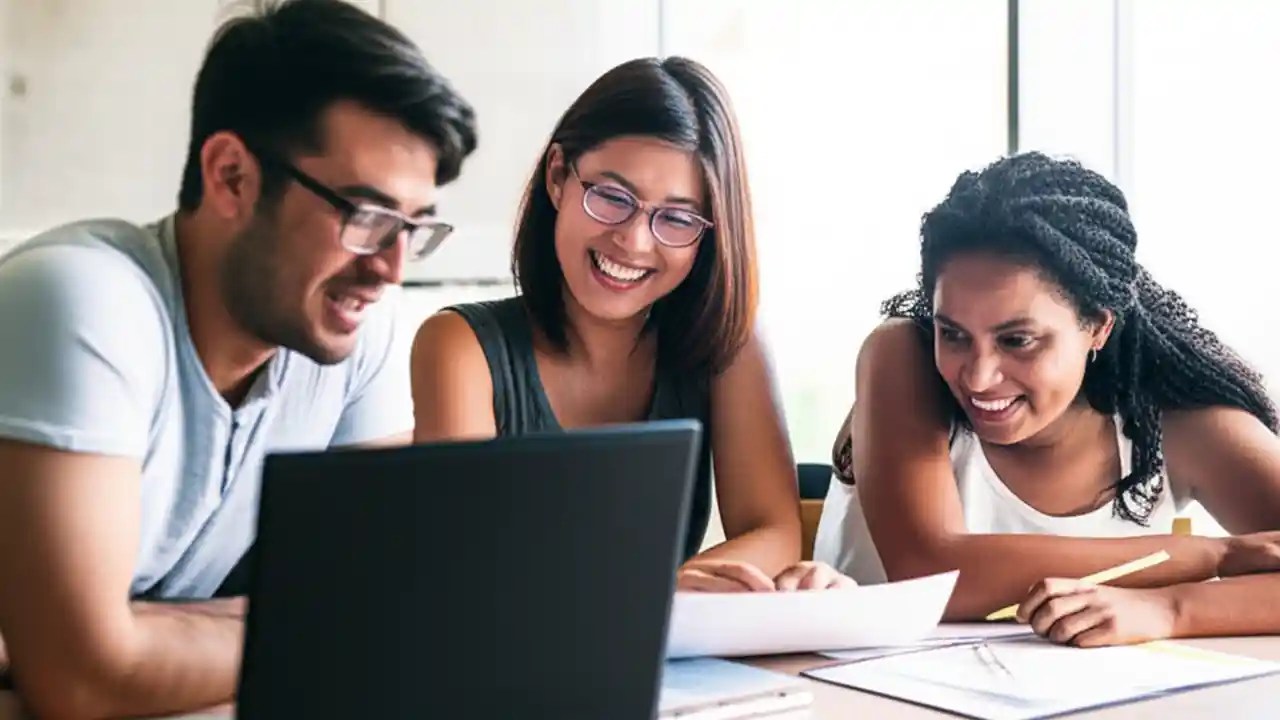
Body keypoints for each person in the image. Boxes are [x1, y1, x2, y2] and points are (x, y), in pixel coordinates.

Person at [0, 1, 477, 716]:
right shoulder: (80, 301)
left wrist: (142, 635)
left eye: (413, 227)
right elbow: (80, 680)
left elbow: (374, 602)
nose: (390, 270)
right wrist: (110, 646)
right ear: (230, 176)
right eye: (367, 217)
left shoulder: (352, 332)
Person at [410, 56, 850, 594]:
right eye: (613, 198)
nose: (635, 241)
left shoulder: (729, 340)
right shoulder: (459, 346)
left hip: (667, 665)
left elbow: (774, 531)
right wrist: (658, 595)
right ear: (557, 178)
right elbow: (463, 565)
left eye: (678, 218)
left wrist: (659, 597)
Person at [814, 151, 1280, 647]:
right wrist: (1210, 557)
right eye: (952, 333)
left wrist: (1169, 609)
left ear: (1098, 327)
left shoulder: (1177, 428)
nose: (977, 375)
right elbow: (930, 571)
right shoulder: (901, 357)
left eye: (1017, 340)